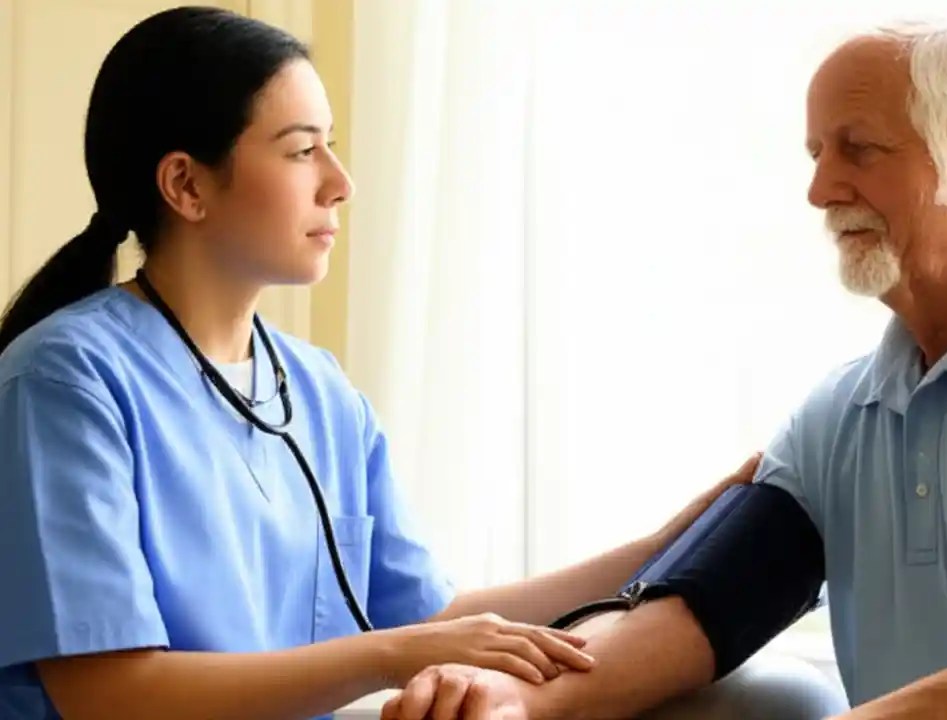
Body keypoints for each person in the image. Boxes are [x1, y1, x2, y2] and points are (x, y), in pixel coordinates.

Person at [381, 9, 947, 720]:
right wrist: (516, 703)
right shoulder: (843, 412)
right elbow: (700, 607)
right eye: (816, 153)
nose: (820, 189)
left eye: (859, 150)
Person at [0, 8, 759, 720]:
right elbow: (107, 693)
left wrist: (665, 546)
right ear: (186, 185)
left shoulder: (322, 393)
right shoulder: (65, 382)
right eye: (302, 150)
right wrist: (398, 656)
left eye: (330, 145)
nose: (341, 181)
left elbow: (434, 620)